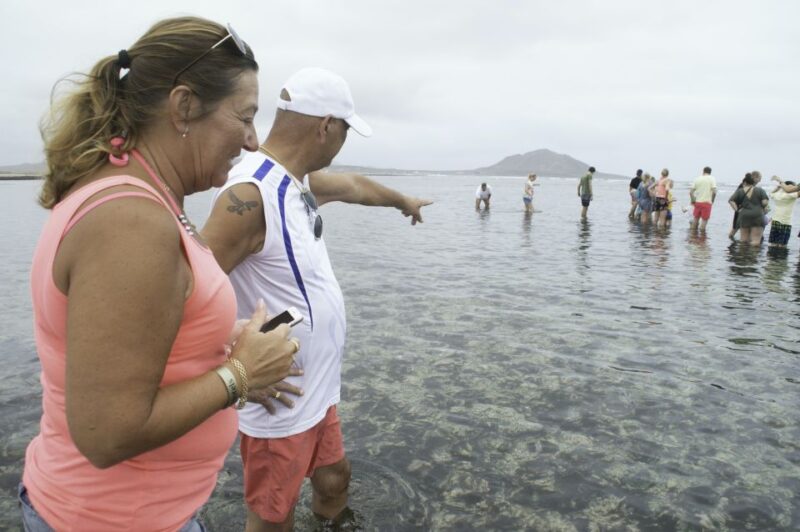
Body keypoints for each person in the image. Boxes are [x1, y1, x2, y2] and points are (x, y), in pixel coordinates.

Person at [20, 17, 301, 531]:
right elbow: (106, 432)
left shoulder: (135, 195)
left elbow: (135, 341)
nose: (254, 141)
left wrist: (219, 341)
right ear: (184, 107)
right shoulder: (131, 222)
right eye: (243, 117)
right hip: (109, 519)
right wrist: (241, 375)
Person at [202, 67, 431, 532]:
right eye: (345, 129)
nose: (345, 140)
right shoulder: (249, 194)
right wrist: (235, 364)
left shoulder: (296, 180)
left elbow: (354, 187)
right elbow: (187, 292)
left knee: (333, 481)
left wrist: (402, 200)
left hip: (318, 392)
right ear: (326, 125)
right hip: (281, 400)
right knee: (272, 516)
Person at [728, 172, 769, 245]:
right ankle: (752, 255)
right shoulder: (760, 190)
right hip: (757, 215)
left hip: (744, 215)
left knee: (743, 240)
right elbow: (765, 203)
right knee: (756, 240)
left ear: (745, 182)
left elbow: (731, 200)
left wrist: (737, 210)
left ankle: (744, 255)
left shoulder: (740, 190)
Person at [768, 175, 799, 247]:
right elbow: (797, 193)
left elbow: (770, 194)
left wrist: (778, 187)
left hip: (775, 220)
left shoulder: (777, 195)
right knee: (782, 245)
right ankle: (780, 258)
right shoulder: (791, 195)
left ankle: (772, 257)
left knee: (773, 243)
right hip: (785, 222)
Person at [689, 166, 717, 232]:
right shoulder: (712, 178)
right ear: (710, 172)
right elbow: (714, 192)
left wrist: (693, 200)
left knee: (695, 219)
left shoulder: (697, 178)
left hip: (698, 202)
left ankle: (693, 236)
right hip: (707, 202)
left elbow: (691, 192)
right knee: (704, 222)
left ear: (703, 171)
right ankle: (701, 240)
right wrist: (712, 200)